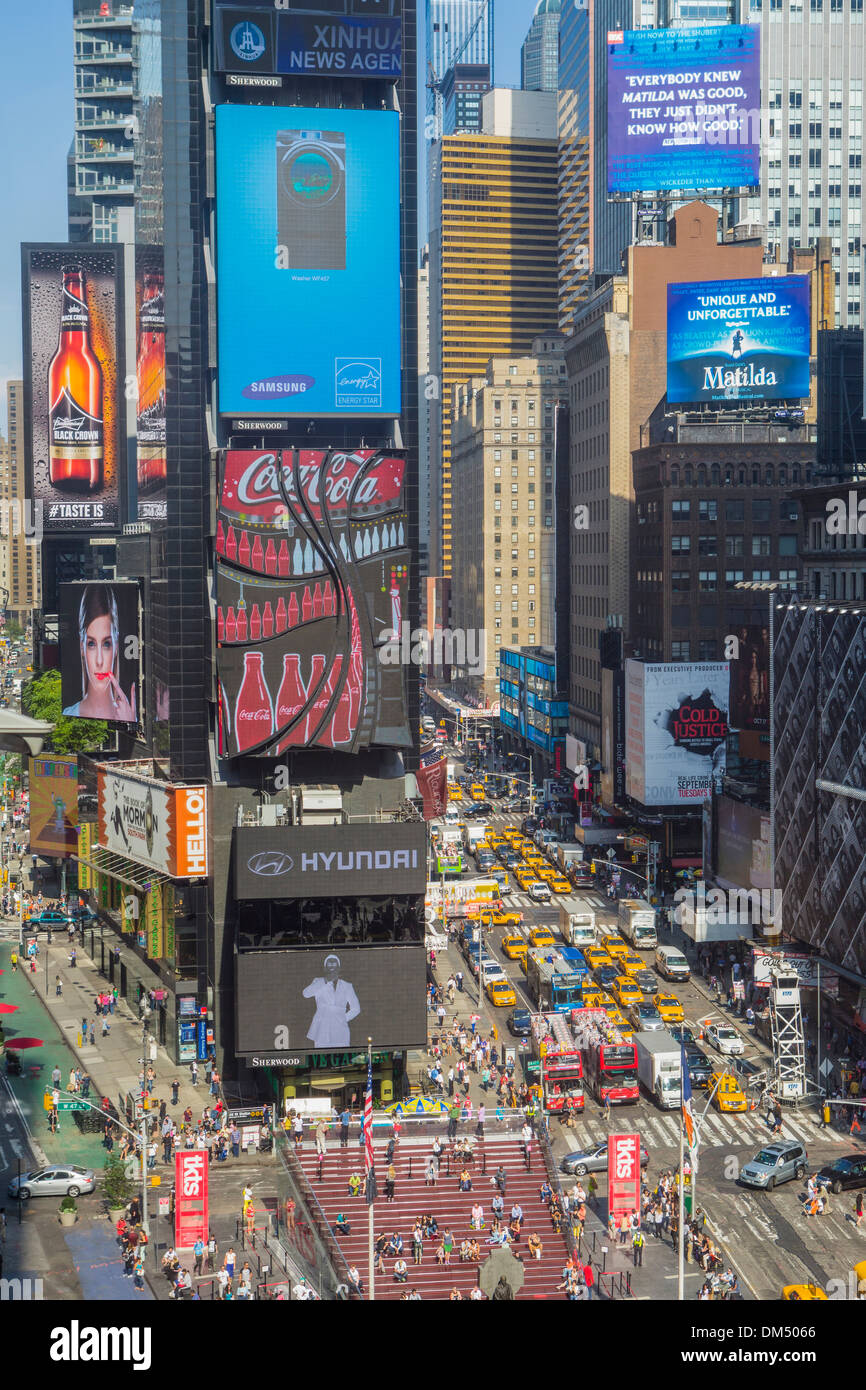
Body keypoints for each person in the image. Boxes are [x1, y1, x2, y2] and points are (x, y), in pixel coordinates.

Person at [62, 584, 136, 720]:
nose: (99, 661)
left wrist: (130, 722)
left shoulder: (132, 716)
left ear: (116, 647)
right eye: (91, 644)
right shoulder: (68, 714)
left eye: (106, 644)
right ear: (81, 647)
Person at [302, 954, 361, 1048]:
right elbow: (306, 994)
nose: (332, 966)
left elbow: (356, 1008)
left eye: (334, 963)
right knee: (321, 1057)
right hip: (321, 1029)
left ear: (339, 967)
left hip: (340, 1030)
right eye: (329, 964)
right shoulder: (318, 981)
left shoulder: (347, 986)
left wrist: (342, 1018)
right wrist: (325, 981)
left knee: (341, 1057)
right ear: (325, 967)